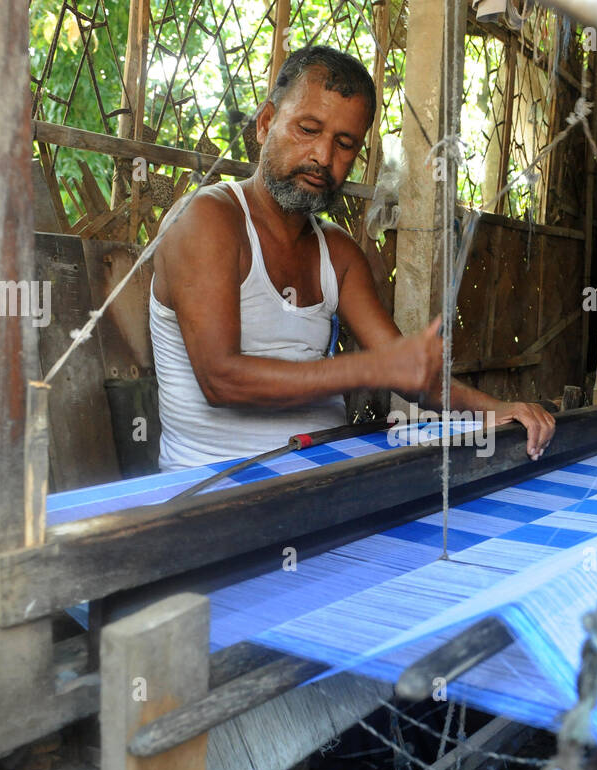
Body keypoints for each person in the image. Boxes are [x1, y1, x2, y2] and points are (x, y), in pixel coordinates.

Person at [150, 44, 556, 470]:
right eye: (307, 129)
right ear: (266, 123)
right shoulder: (207, 219)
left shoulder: (337, 251)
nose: (323, 157)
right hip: (214, 488)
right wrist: (372, 368)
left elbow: (413, 376)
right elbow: (222, 380)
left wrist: (496, 409)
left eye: (343, 144)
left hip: (326, 474)